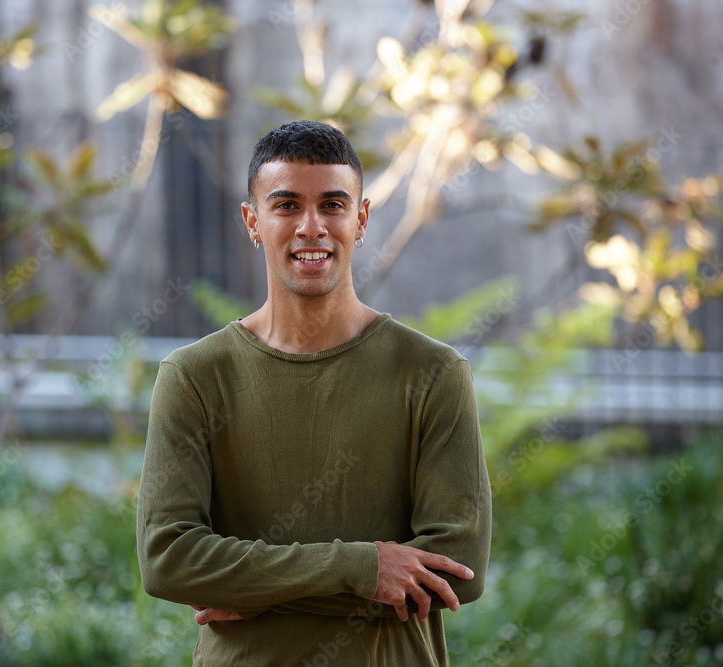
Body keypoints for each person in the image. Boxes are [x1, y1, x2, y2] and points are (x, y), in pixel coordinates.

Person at [136, 120, 492, 666]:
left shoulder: (433, 373)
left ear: (361, 219)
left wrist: (255, 589)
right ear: (252, 222)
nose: (311, 227)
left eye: (332, 204)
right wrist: (361, 568)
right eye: (286, 206)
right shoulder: (194, 376)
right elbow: (168, 560)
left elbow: (456, 571)